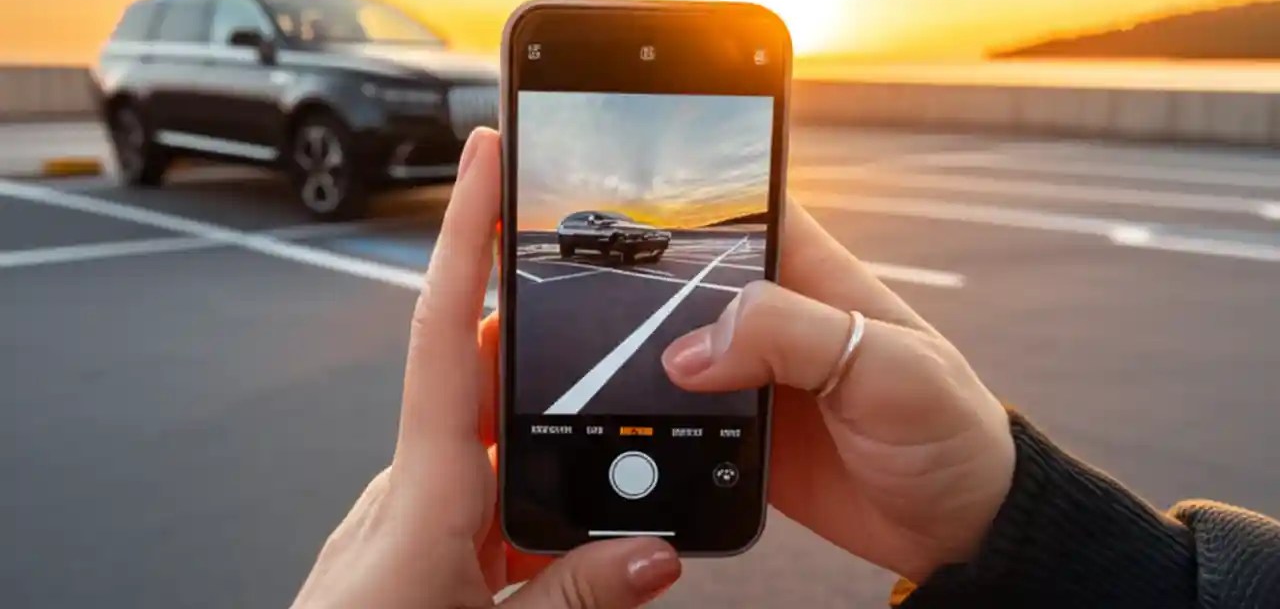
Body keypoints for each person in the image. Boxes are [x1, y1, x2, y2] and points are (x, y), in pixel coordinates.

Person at [291, 128, 1279, 609]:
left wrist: (1023, 534)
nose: (611, 232)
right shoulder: (588, 235)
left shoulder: (633, 235)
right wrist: (1013, 521)